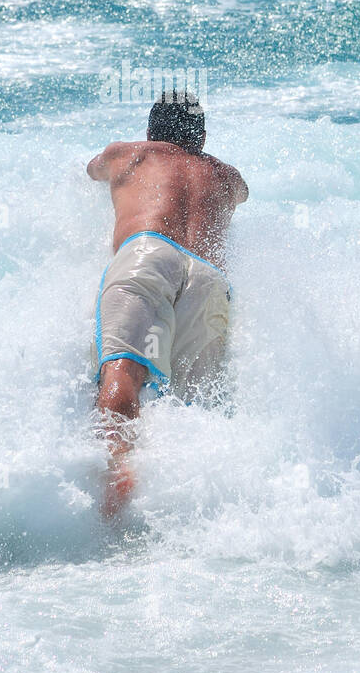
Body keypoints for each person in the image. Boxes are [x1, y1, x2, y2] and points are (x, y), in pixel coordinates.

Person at [86, 89, 248, 514]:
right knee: (194, 401)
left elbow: (92, 171)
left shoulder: (128, 154)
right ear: (203, 136)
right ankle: (184, 511)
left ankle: (114, 501)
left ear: (150, 130)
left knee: (123, 369)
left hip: (148, 252)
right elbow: (242, 195)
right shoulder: (227, 177)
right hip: (209, 279)